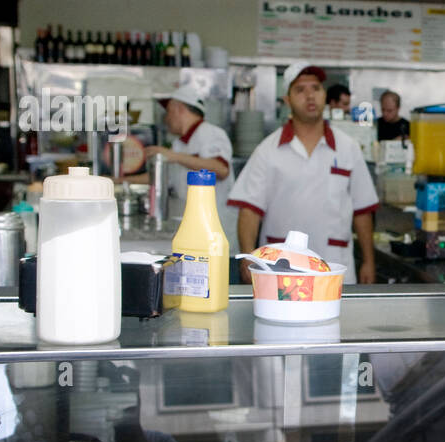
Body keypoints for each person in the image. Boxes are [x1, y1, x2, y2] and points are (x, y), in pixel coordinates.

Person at [228, 63, 378, 284]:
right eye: (300, 90)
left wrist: (369, 261)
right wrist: (248, 258)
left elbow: (362, 210)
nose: (310, 96)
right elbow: (250, 210)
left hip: (335, 268)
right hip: (282, 269)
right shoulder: (268, 150)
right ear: (287, 100)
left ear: (324, 95)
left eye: (316, 88)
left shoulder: (348, 148)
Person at [142, 82, 234, 227]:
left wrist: (173, 156)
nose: (166, 119)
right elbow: (164, 179)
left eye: (168, 112)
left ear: (179, 109)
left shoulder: (210, 133)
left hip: (214, 225)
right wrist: (118, 179)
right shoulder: (179, 144)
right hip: (192, 222)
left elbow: (221, 169)